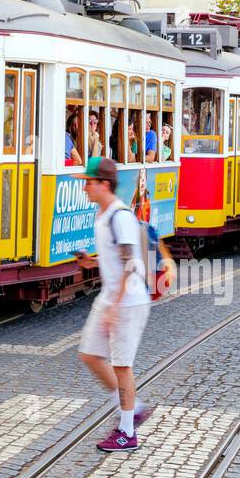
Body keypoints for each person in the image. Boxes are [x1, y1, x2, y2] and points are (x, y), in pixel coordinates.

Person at [76, 157, 153, 452]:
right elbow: (113, 260)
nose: (85, 188)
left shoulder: (120, 216)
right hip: (111, 298)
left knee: (122, 366)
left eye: (89, 182)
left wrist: (114, 308)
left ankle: (127, 432)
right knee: (90, 355)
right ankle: (133, 410)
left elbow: (131, 264)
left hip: (127, 302)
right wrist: (91, 262)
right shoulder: (103, 214)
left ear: (103, 184)